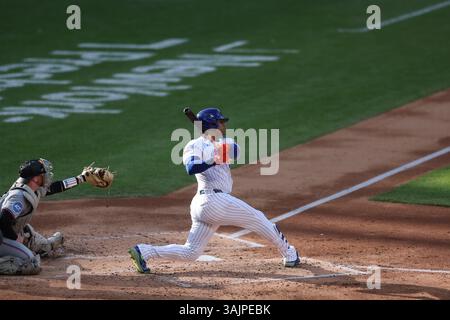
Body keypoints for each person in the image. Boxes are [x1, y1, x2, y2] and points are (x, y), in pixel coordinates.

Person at [129, 107, 300, 273]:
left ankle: (144, 251)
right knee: (259, 218)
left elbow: (234, 151)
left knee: (191, 252)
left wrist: (217, 147)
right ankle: (289, 253)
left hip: (207, 205)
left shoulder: (225, 141)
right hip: (213, 201)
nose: (223, 125)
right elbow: (191, 168)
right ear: (212, 124)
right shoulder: (193, 145)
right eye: (220, 122)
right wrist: (211, 159)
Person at [0, 159, 88, 275]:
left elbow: (56, 187)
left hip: (9, 229)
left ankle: (31, 243)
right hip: (2, 236)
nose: (46, 176)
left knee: (44, 246)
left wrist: (81, 178)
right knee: (30, 263)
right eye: (43, 174)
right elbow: (3, 220)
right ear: (35, 178)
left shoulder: (32, 187)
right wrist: (16, 238)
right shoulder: (18, 197)